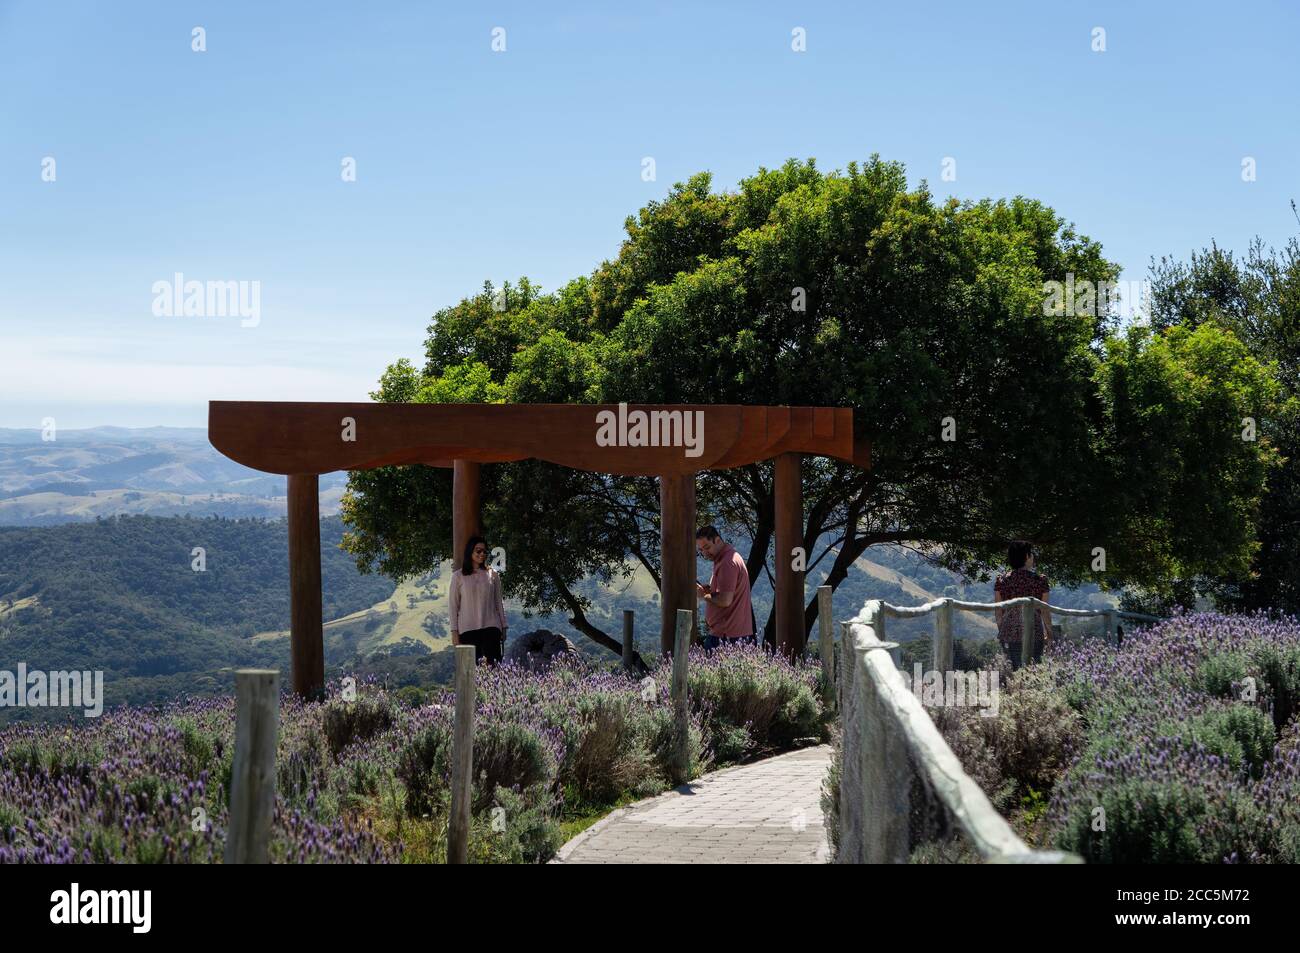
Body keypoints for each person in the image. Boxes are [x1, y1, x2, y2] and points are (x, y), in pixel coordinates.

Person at [449, 535, 508, 664]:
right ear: (470, 551)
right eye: (478, 551)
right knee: (472, 672)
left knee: (494, 671)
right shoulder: (458, 576)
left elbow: (499, 602)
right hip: (467, 631)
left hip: (491, 628)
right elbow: (453, 606)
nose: (482, 554)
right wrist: (454, 632)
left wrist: (504, 626)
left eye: (484, 551)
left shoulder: (493, 574)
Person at [694, 525, 755, 650]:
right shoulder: (725, 558)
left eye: (707, 547)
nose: (705, 553)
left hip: (727, 637)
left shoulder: (727, 562)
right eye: (701, 550)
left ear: (717, 540)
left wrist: (703, 596)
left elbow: (725, 600)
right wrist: (710, 591)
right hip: (731, 634)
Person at [993, 540, 1051, 670]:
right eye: (1031, 554)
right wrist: (1050, 633)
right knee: (1033, 670)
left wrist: (1003, 630)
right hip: (1034, 631)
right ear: (1026, 557)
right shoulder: (1040, 580)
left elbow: (998, 611)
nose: (1033, 557)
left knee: (1013, 670)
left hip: (1009, 632)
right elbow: (1045, 611)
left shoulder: (1002, 580)